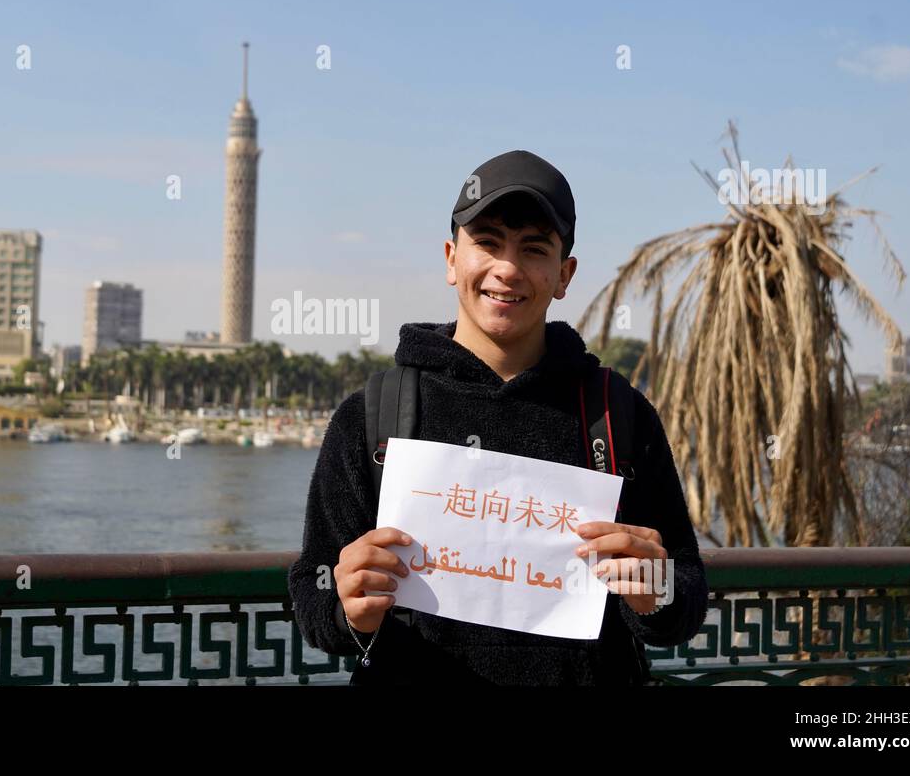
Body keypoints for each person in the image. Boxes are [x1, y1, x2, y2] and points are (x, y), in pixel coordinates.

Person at [287, 149, 709, 685]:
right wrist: (346, 606)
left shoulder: (615, 412)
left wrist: (657, 589)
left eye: (534, 249)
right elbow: (312, 591)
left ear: (564, 274)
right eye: (486, 243)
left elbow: (685, 594)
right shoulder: (373, 415)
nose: (506, 269)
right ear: (450, 258)